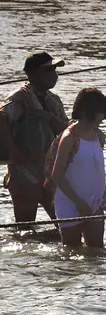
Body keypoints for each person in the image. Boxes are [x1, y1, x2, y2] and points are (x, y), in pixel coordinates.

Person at [0, 52, 69, 230]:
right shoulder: (19, 98)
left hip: (49, 169)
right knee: (24, 228)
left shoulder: (54, 100)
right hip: (24, 170)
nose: (53, 75)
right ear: (31, 74)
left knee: (64, 222)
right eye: (47, 70)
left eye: (54, 70)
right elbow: (1, 118)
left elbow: (67, 130)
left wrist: (48, 118)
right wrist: (14, 152)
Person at [50, 88, 106, 249]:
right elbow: (57, 175)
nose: (101, 119)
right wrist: (79, 203)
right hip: (70, 202)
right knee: (72, 254)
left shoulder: (99, 135)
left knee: (97, 252)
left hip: (95, 202)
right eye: (99, 114)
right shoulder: (70, 138)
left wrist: (105, 193)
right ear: (86, 111)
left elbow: (97, 168)